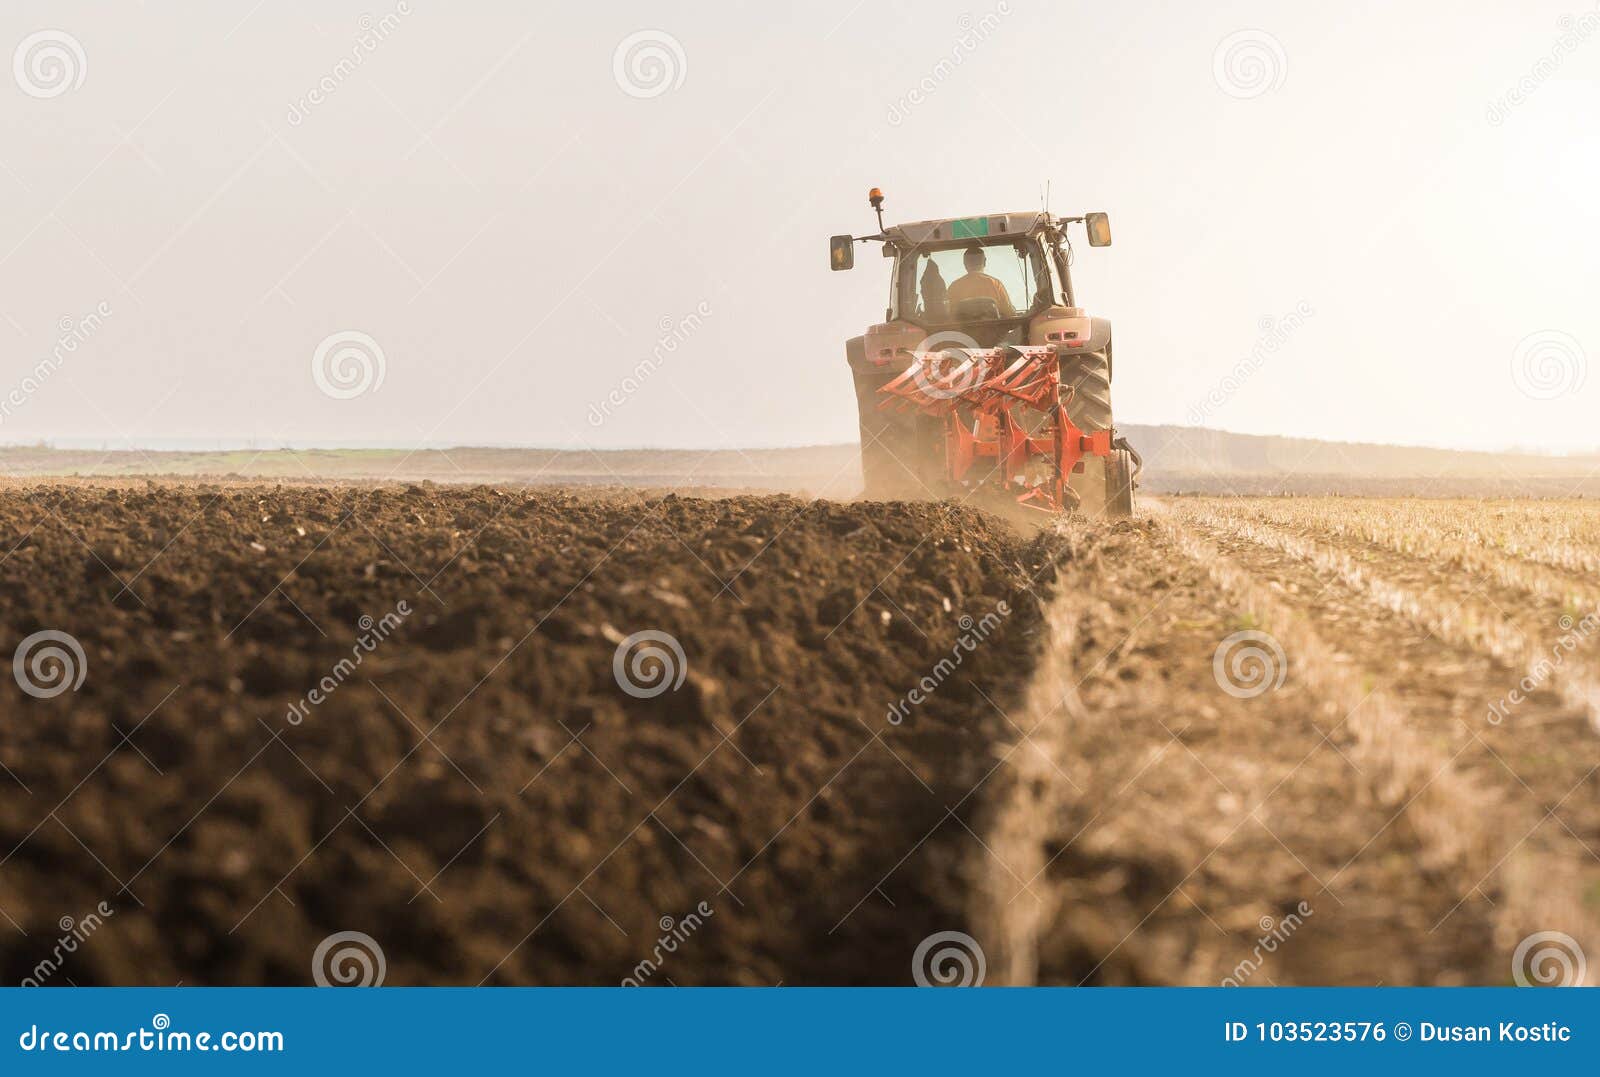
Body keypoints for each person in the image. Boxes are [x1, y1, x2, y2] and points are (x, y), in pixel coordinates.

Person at [946, 246, 1015, 317]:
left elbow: (949, 315)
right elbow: (1009, 313)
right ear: (985, 262)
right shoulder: (995, 284)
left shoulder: (954, 286)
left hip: (964, 328)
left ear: (965, 264)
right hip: (992, 328)